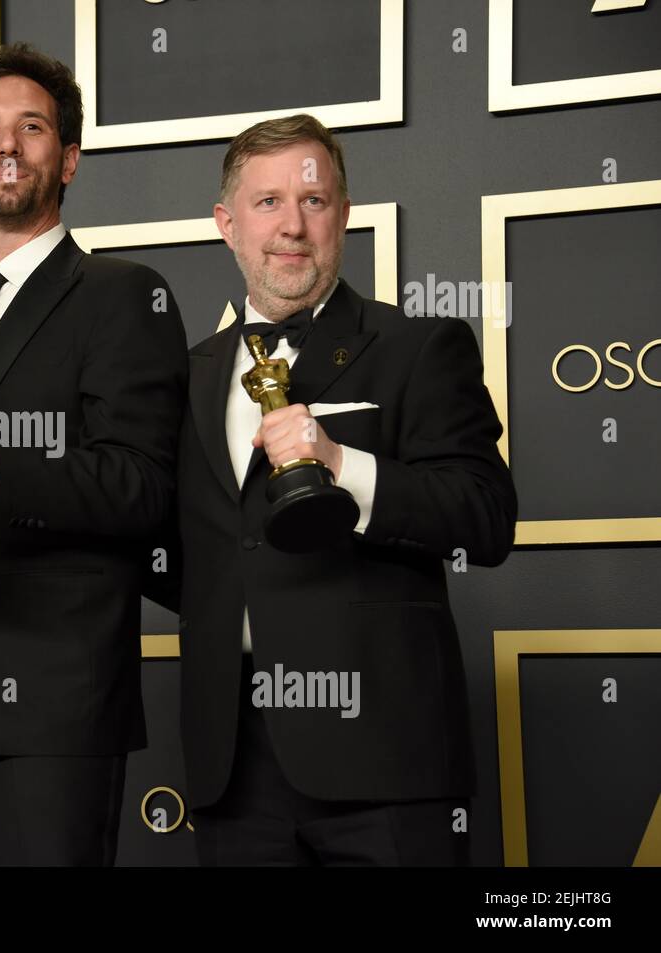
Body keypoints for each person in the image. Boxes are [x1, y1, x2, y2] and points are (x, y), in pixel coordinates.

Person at [150, 113, 518, 865]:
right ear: (226, 223)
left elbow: (486, 518)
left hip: (387, 756)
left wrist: (342, 464)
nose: (292, 226)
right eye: (268, 203)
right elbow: (179, 547)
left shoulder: (420, 345)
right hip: (233, 764)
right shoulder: (182, 375)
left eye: (313, 202)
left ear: (342, 216)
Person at [0, 43, 189, 866]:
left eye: (31, 128)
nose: (7, 146)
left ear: (68, 159)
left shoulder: (122, 295)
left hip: (55, 702)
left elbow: (142, 488)